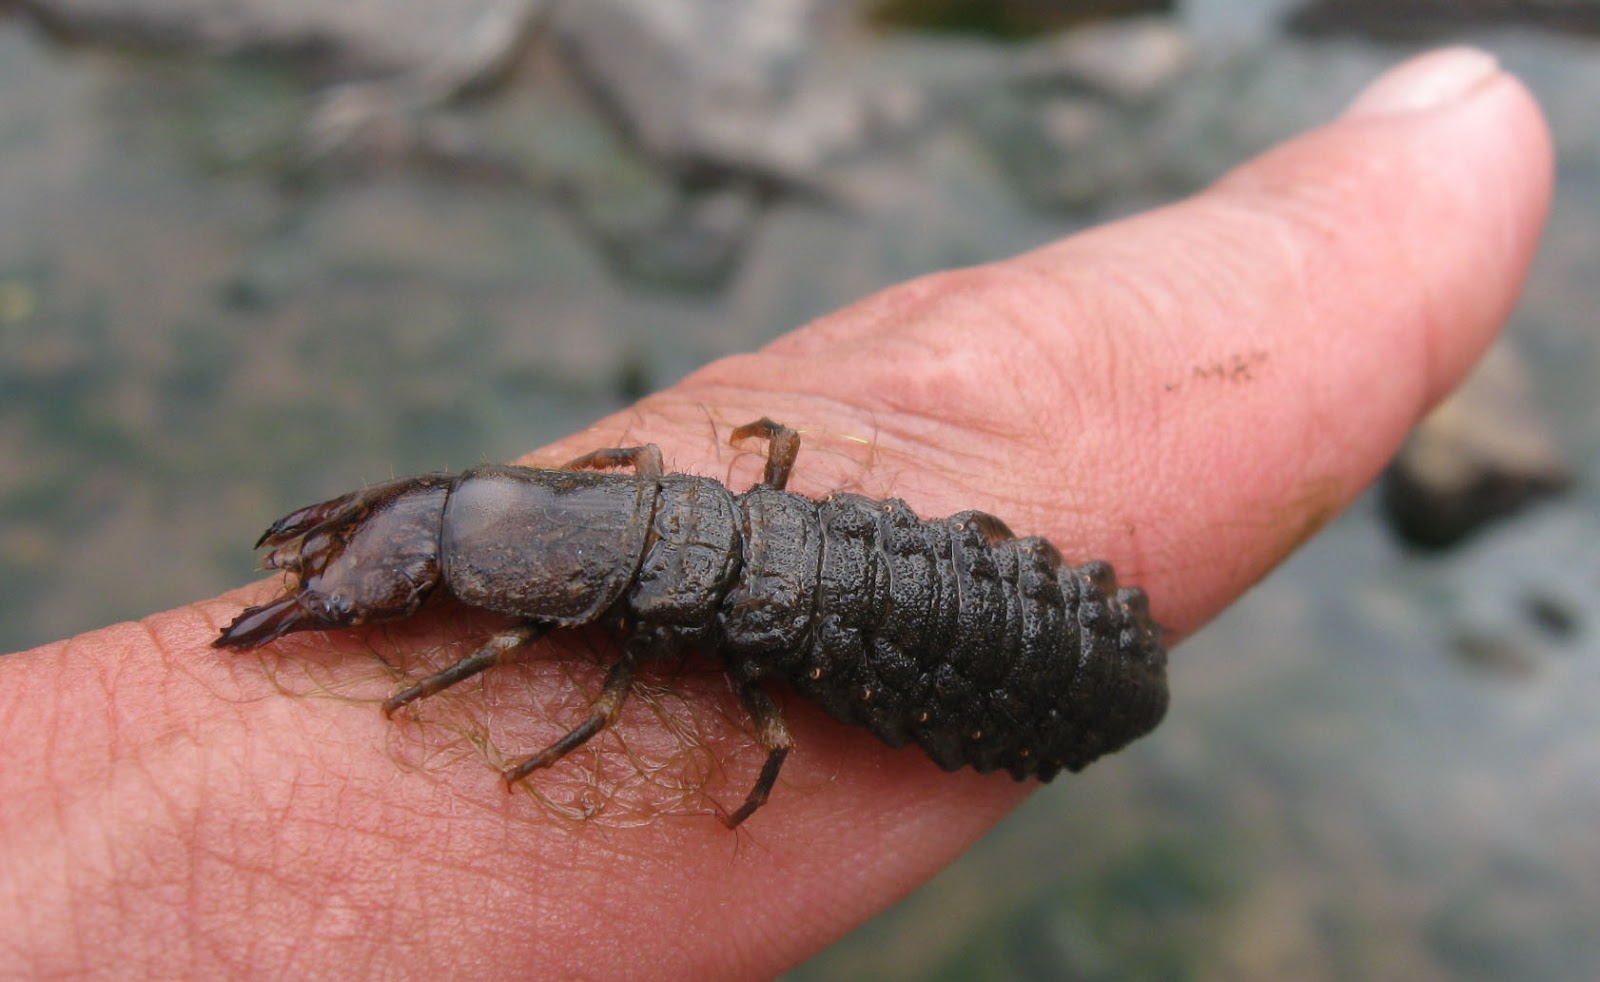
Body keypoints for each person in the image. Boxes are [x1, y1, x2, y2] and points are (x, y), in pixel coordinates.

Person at [0, 48, 1553, 978]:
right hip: (847, 577)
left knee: (668, 686)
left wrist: (444, 639)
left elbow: (587, 670)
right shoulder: (668, 518)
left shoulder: (617, 629)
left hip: (999, 646)